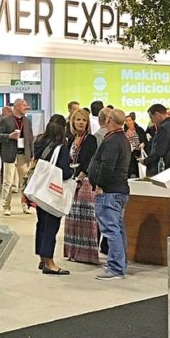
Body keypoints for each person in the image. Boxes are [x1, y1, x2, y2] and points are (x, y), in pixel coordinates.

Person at [88, 108, 131, 280]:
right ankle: (119, 263)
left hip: (110, 192)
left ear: (108, 120)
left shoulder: (113, 141)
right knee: (118, 229)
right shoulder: (122, 139)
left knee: (111, 230)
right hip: (119, 190)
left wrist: (99, 186)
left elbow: (107, 166)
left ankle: (116, 268)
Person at [33, 115, 72, 275]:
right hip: (52, 192)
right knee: (51, 226)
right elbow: (64, 172)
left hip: (40, 190)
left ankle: (42, 259)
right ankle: (50, 262)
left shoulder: (39, 143)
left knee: (41, 224)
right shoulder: (60, 148)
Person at [63, 108, 99, 265]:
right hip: (71, 180)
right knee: (72, 217)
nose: (81, 122)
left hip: (84, 182)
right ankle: (72, 251)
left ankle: (86, 254)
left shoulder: (90, 139)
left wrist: (80, 177)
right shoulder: (71, 139)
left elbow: (90, 161)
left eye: (84, 120)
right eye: (78, 119)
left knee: (85, 218)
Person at [0, 98, 34, 216]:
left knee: (25, 181)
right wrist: (9, 136)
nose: (26, 107)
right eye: (24, 105)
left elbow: (30, 139)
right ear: (17, 106)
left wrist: (32, 154)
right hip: (9, 154)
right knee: (7, 181)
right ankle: (6, 206)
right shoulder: (5, 120)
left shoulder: (27, 121)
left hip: (24, 155)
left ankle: (25, 205)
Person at [144, 104, 170, 175]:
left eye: (151, 117)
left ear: (157, 114)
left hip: (166, 171)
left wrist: (145, 161)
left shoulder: (163, 128)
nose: (152, 121)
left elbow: (159, 151)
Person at [124, 112, 147, 178]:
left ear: (133, 121)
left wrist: (142, 144)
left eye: (129, 120)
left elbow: (144, 140)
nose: (128, 122)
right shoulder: (124, 131)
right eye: (126, 121)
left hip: (137, 153)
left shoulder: (139, 130)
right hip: (128, 153)